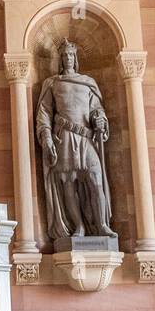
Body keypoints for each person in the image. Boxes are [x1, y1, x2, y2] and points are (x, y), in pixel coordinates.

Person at [35, 39, 116, 241]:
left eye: (71, 55)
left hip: (85, 136)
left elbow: (97, 109)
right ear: (61, 59)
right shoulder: (53, 83)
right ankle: (78, 226)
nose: (68, 58)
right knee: (67, 182)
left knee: (95, 179)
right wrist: (47, 139)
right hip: (64, 137)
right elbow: (44, 114)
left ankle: (102, 224)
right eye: (64, 55)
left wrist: (100, 119)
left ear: (75, 58)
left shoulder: (87, 82)